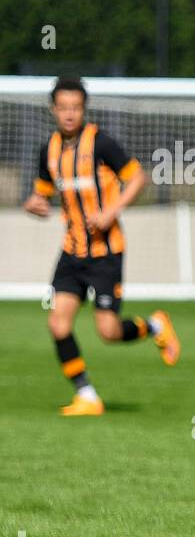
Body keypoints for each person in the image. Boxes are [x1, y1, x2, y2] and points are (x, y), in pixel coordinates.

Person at [23, 77, 180, 416]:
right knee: (58, 324)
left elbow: (137, 177)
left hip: (106, 253)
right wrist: (34, 204)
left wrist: (111, 212)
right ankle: (87, 396)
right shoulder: (47, 150)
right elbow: (43, 194)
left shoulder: (102, 144)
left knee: (108, 331)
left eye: (75, 108)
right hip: (71, 252)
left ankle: (155, 325)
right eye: (63, 108)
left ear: (84, 109)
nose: (69, 114)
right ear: (53, 109)